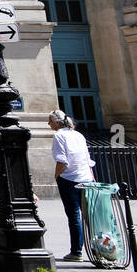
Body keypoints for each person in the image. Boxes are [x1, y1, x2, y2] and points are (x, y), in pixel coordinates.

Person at [48, 109, 94, 261]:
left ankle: (76, 252)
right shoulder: (78, 135)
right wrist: (92, 179)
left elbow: (62, 161)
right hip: (86, 178)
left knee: (74, 216)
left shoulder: (59, 136)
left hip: (69, 179)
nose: (48, 124)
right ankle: (98, 248)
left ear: (56, 122)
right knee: (90, 216)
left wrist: (57, 176)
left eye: (50, 121)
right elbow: (87, 160)